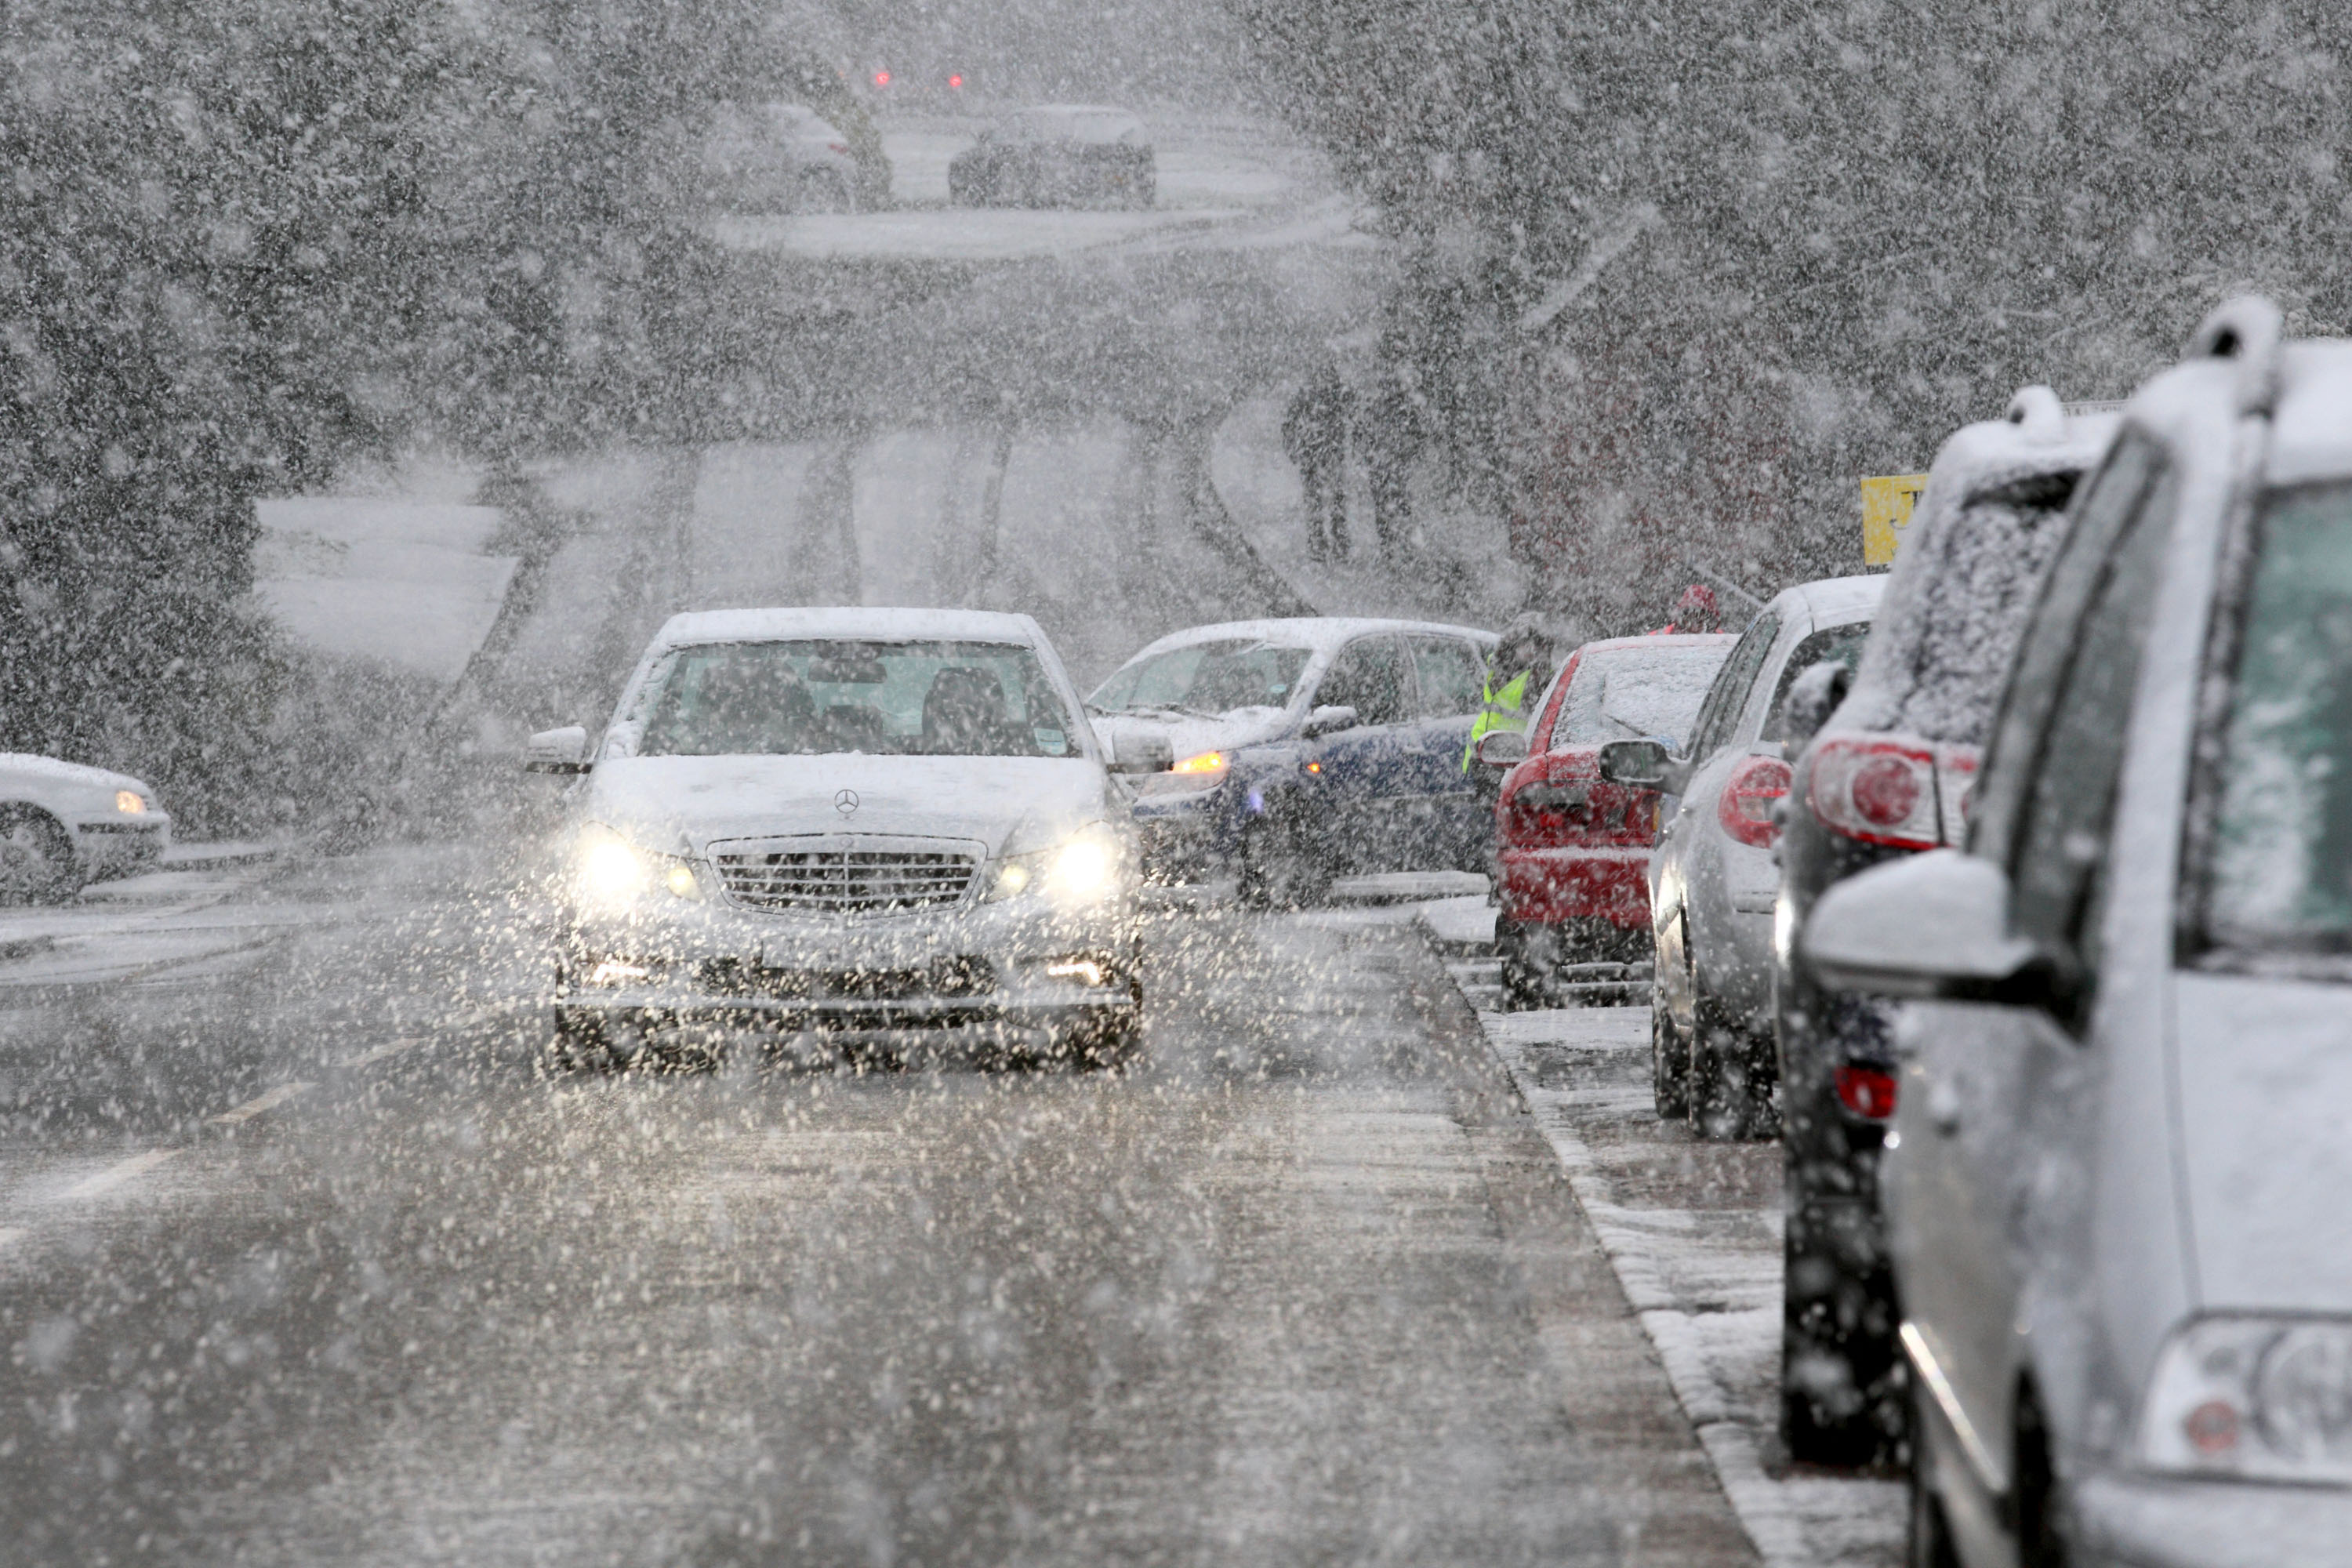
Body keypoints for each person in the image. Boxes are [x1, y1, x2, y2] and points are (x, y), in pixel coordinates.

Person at [1463, 612, 1555, 777]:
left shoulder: (1542, 678)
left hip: (1514, 759)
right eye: (1524, 643)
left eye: (1534, 644)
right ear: (1514, 642)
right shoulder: (1498, 664)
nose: (1529, 650)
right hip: (1482, 751)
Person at [1282, 369, 1353, 562]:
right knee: (1328, 497)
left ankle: (1324, 541)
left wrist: (1292, 446)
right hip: (1323, 451)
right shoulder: (1334, 392)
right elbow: (1289, 422)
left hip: (1318, 451)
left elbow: (1289, 421)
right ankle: (1330, 541)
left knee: (1321, 498)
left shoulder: (1310, 393)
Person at [1650, 583, 1723, 634]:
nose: (1695, 623)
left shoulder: (1721, 641)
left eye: (1700, 620)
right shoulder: (1657, 639)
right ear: (1683, 615)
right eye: (1690, 615)